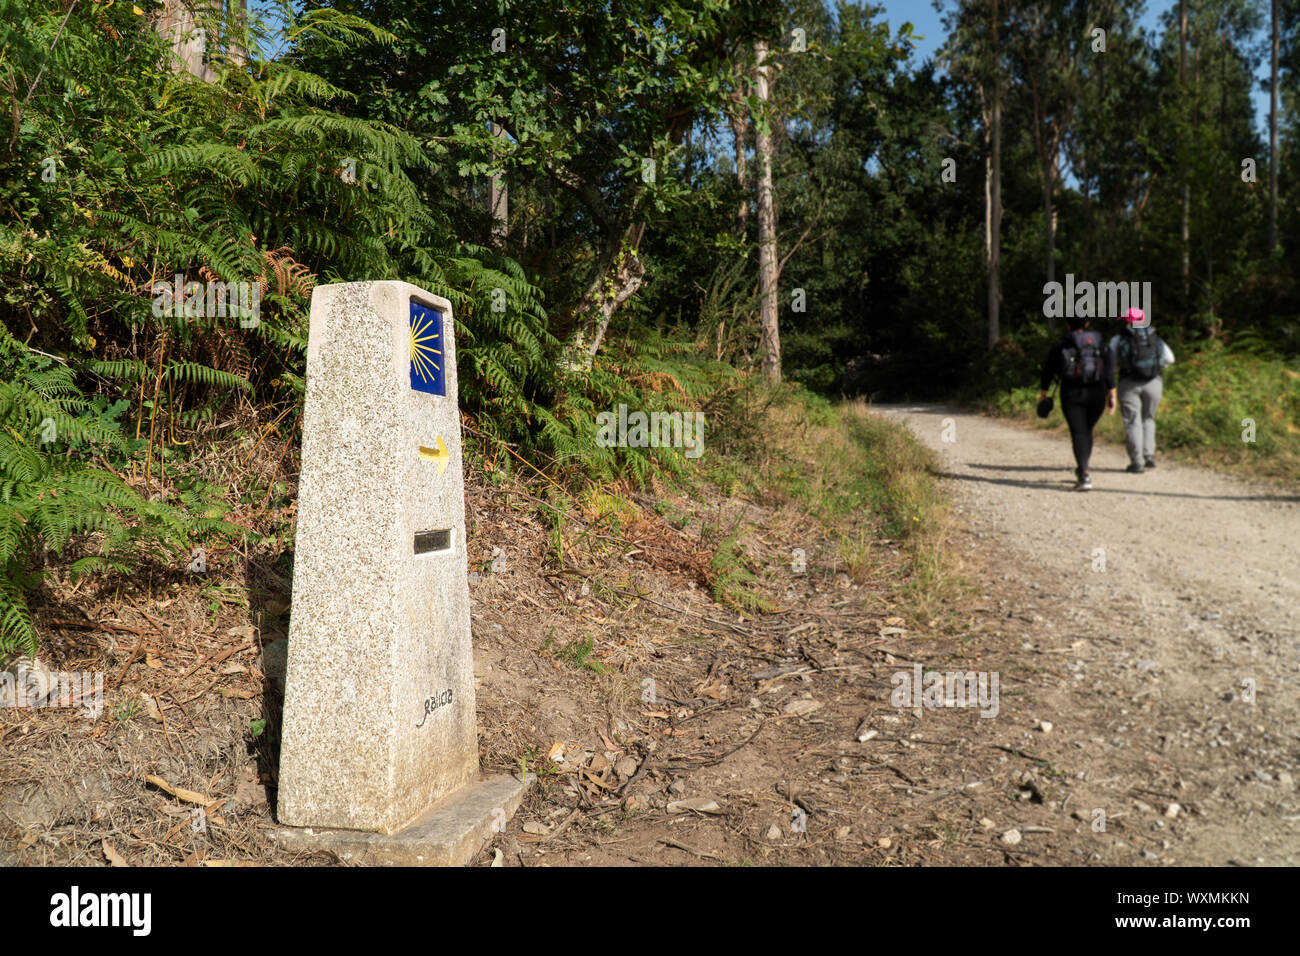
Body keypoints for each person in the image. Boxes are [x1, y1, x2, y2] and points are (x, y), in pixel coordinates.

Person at [1037, 315, 1117, 491]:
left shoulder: (1061, 344)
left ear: (1067, 324)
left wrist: (1044, 392)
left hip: (1071, 393)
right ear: (1087, 324)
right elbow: (1108, 369)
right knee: (1087, 431)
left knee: (1078, 432)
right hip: (1097, 393)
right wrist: (1112, 393)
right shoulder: (1098, 343)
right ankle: (1083, 468)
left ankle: (1084, 473)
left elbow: (1048, 370)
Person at [1109, 307, 1175, 473]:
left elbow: (1111, 363)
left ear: (1128, 321)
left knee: (1132, 421)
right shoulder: (1154, 337)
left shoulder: (1118, 339)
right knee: (1148, 418)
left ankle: (1137, 462)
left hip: (1128, 383)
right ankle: (1149, 455)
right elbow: (1170, 359)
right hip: (1153, 382)